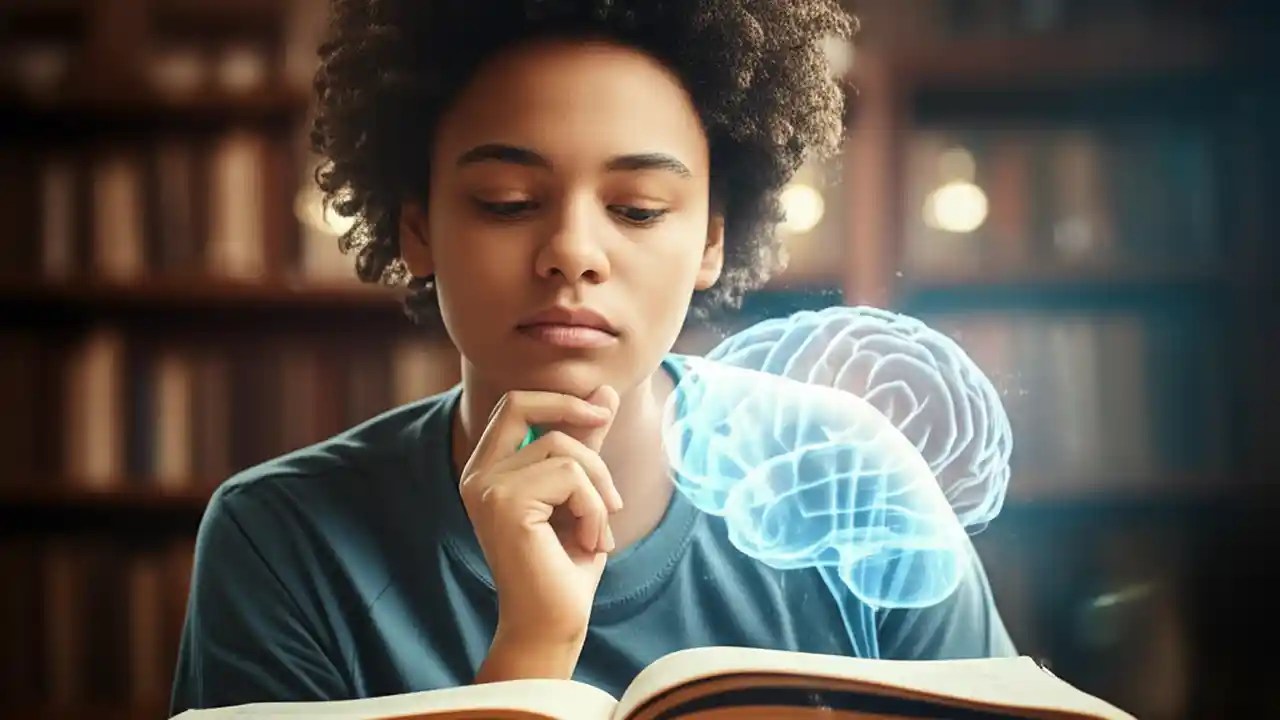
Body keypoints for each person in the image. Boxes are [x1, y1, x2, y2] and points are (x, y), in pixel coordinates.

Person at [169, 0, 1016, 714]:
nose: (573, 252)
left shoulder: (859, 482)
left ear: (714, 237)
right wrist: (532, 650)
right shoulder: (280, 539)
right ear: (417, 227)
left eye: (640, 209)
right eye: (507, 202)